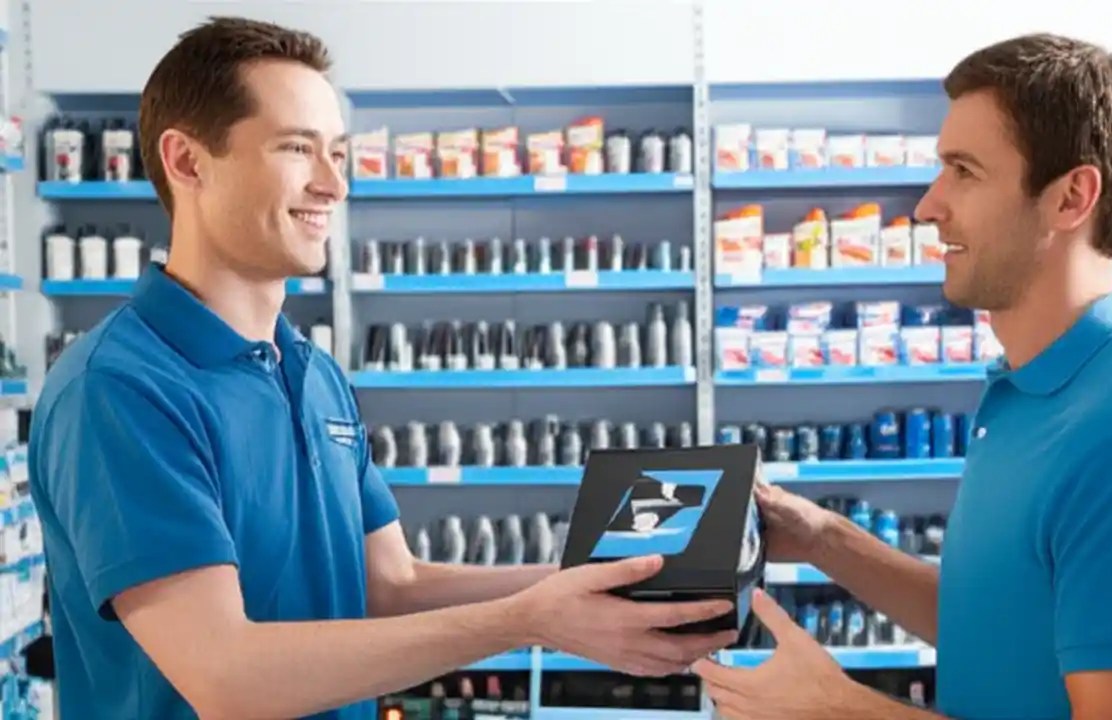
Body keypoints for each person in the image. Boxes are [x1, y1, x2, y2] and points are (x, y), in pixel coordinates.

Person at [27, 16, 738, 720]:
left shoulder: (312, 373)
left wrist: (592, 583)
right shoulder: (119, 389)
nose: (335, 184)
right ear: (187, 162)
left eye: (339, 152)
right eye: (298, 148)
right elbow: (226, 676)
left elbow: (390, 585)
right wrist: (527, 622)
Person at [693, 33, 1112, 720]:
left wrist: (837, 711)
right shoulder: (1026, 394)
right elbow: (1004, 628)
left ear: (1071, 197)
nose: (927, 206)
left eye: (965, 171)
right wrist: (823, 538)